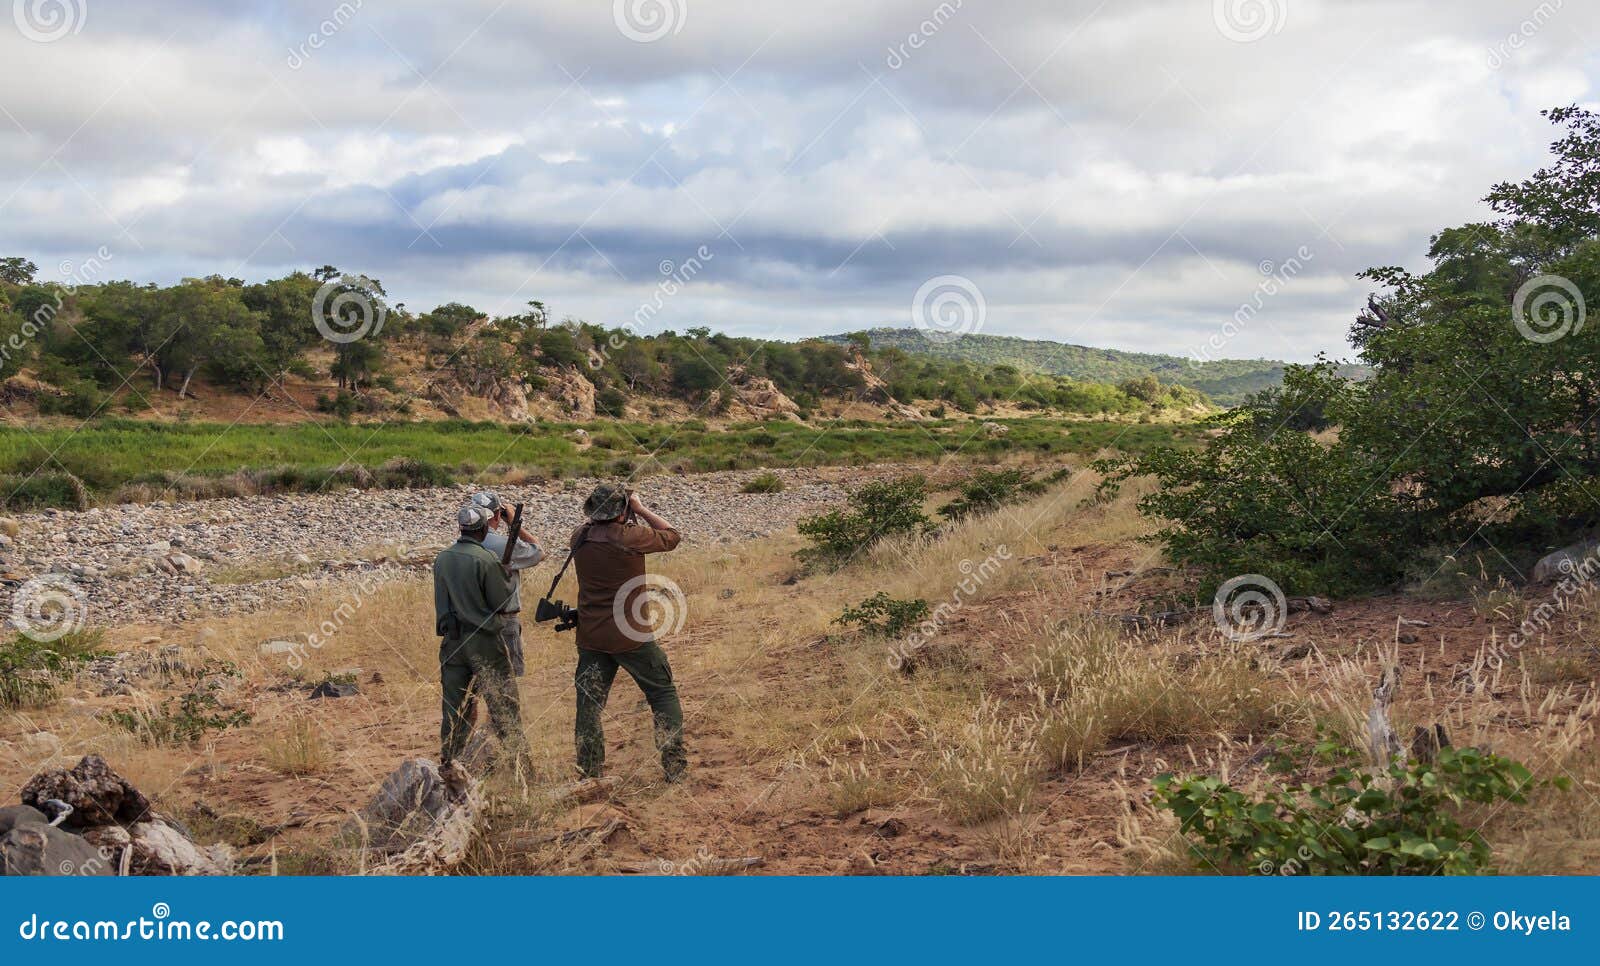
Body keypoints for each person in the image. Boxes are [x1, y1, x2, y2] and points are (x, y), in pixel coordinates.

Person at [569, 483, 686, 782]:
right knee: (662, 694)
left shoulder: (579, 536)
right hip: (631, 635)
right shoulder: (630, 536)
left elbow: (596, 528)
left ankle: (589, 770)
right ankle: (674, 765)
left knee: (589, 705)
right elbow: (672, 536)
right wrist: (640, 508)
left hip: (592, 636)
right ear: (622, 512)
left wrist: (621, 511)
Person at [434, 503, 531, 779]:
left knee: (455, 709)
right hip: (485, 641)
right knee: (504, 706)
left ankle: (450, 766)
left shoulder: (442, 558)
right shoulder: (486, 559)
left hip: (452, 642)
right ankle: (521, 770)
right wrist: (506, 575)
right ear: (483, 530)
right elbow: (501, 600)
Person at [470, 491, 543, 677]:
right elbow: (538, 552)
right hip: (504, 620)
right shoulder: (504, 545)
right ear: (497, 515)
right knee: (511, 676)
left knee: (480, 677)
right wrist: (513, 523)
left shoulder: (459, 546)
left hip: (470, 620)